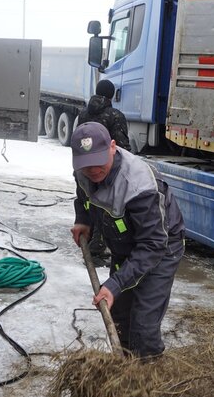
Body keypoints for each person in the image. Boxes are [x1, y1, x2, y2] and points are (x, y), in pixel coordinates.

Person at [70, 122, 184, 357]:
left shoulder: (139, 185)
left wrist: (114, 284)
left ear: (113, 147)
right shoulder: (83, 172)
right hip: (124, 243)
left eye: (98, 162)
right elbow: (83, 195)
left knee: (143, 325)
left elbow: (153, 245)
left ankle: (146, 379)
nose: (92, 170)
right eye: (86, 164)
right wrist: (83, 219)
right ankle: (124, 366)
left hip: (160, 247)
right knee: (119, 316)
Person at [78, 79, 132, 151]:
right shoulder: (116, 116)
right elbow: (122, 149)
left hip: (84, 160)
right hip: (105, 161)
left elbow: (78, 140)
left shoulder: (83, 113)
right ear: (111, 96)